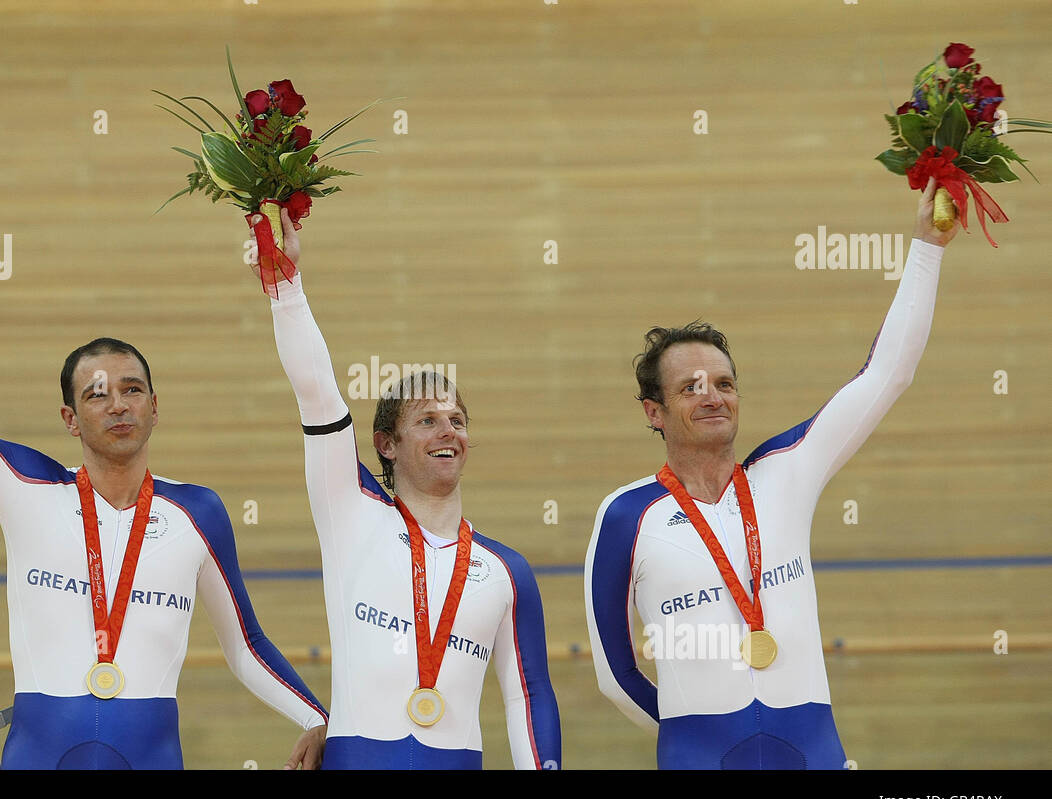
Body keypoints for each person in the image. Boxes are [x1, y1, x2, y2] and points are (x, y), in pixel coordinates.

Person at [0, 222, 328, 770]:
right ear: (70, 419)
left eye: (132, 390)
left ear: (155, 407)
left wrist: (315, 717)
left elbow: (245, 645)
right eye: (97, 395)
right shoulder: (26, 488)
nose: (118, 405)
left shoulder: (197, 512)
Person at [584, 179, 960, 769]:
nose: (713, 396)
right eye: (691, 387)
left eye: (725, 384)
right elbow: (613, 672)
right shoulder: (626, 515)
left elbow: (888, 373)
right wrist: (688, 729)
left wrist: (928, 247)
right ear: (653, 412)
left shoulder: (787, 472)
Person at [251, 209, 562, 769]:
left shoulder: (505, 570)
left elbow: (528, 696)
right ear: (386, 444)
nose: (448, 430)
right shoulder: (350, 510)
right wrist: (287, 291)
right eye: (426, 420)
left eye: (457, 420)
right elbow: (318, 394)